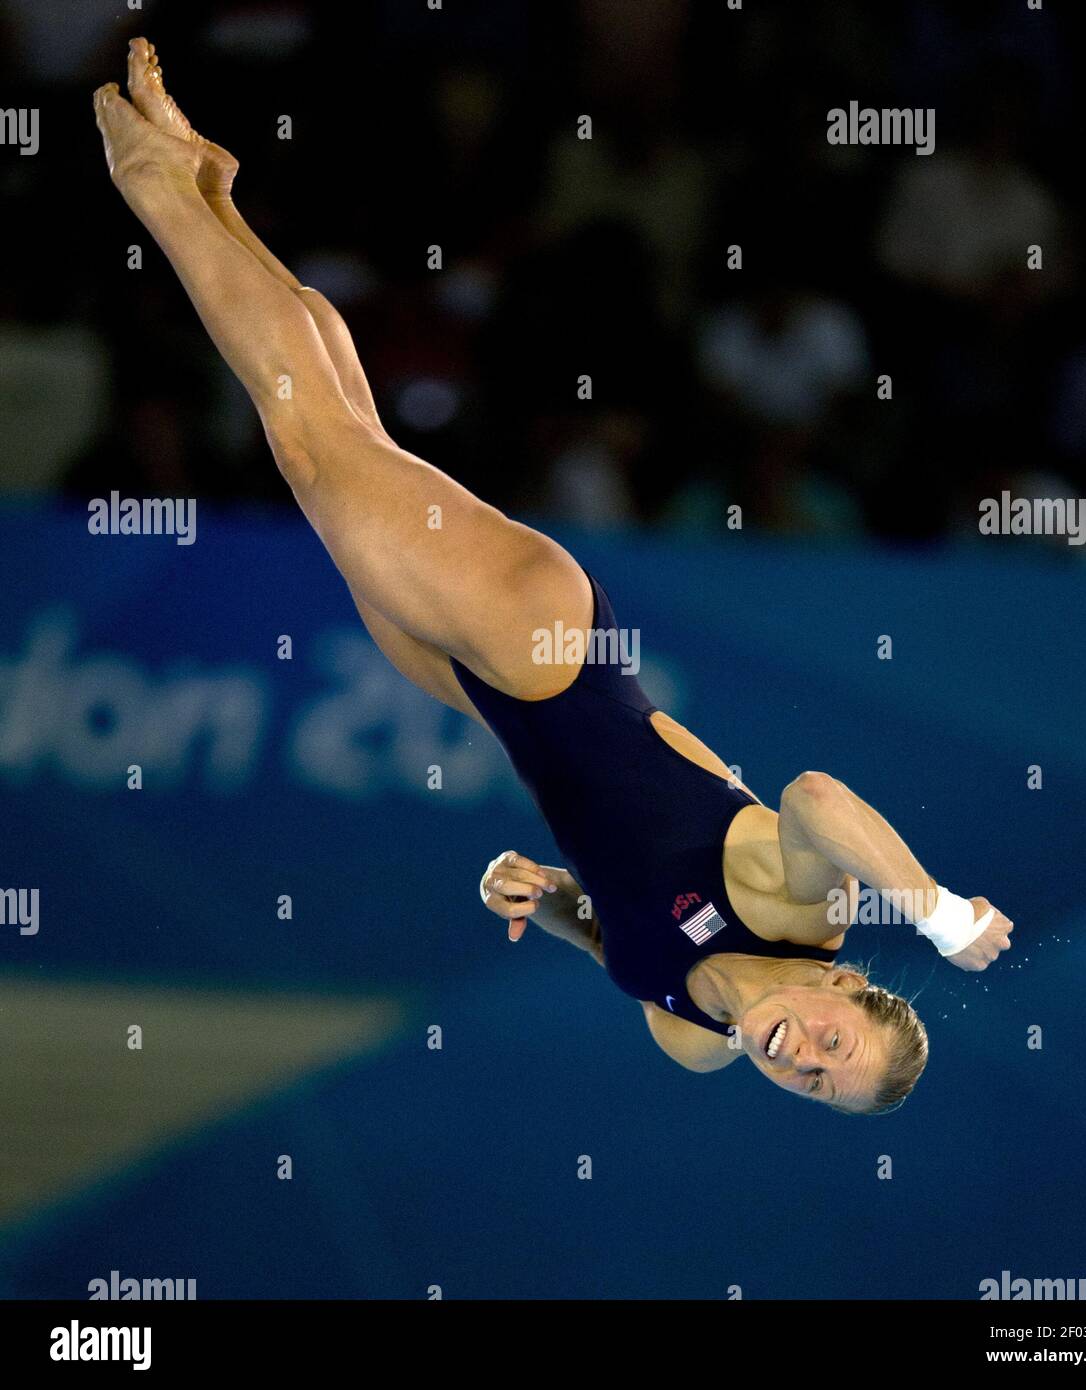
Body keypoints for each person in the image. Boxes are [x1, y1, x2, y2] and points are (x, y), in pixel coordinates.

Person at [93, 39, 1013, 1116]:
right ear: (846, 984)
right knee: (312, 441)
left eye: (816, 1083)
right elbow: (813, 797)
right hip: (546, 644)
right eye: (833, 1039)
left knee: (335, 436)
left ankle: (209, 187)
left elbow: (624, 916)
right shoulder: (807, 912)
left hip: (489, 697)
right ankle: (156, 188)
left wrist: (549, 897)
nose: (801, 1055)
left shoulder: (694, 1040)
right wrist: (940, 912)